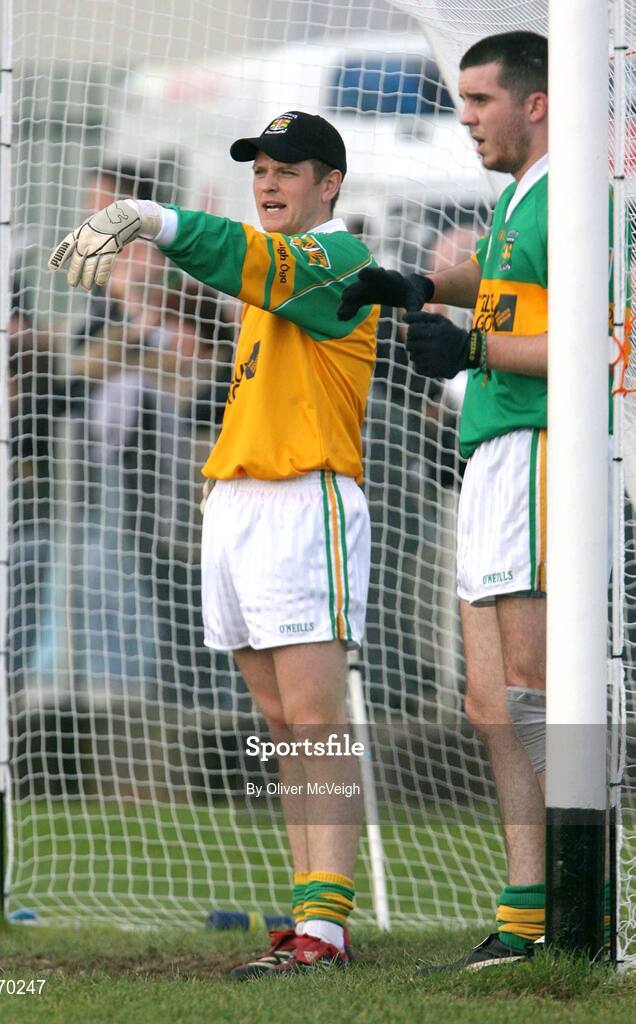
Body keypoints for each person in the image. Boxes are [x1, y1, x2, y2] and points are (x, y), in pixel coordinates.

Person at [49, 110, 379, 976]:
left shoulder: (339, 259)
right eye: (259, 169)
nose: (268, 183)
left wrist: (145, 217)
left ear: (329, 184)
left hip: (304, 500)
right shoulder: (272, 271)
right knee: (279, 722)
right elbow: (240, 271)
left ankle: (326, 928)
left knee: (314, 724)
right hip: (238, 502)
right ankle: (312, 912)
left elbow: (243, 257)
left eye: (287, 169)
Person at [340, 31, 552, 970]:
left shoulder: (580, 197)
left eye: (477, 100)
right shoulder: (516, 198)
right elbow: (506, 287)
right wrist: (423, 282)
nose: (462, 119)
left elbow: (603, 342)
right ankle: (524, 919)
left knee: (536, 697)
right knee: (488, 703)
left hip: (543, 452)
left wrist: (473, 351)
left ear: (535, 102)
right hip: (491, 453)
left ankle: (571, 908)